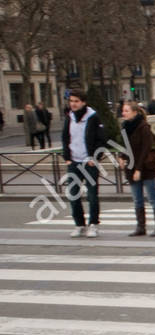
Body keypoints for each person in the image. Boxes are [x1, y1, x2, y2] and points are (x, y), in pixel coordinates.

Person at [60, 91, 107, 238]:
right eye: (71, 101)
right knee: (73, 195)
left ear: (83, 102)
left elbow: (101, 139)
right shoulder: (69, 117)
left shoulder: (92, 117)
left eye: (76, 101)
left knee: (92, 195)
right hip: (74, 161)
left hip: (89, 162)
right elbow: (65, 137)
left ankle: (93, 224)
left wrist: (95, 157)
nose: (73, 103)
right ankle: (79, 224)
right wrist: (67, 157)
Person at [119, 100, 155, 237]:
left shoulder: (144, 127)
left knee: (152, 197)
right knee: (137, 199)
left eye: (126, 110)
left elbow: (145, 150)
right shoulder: (125, 126)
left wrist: (138, 169)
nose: (123, 113)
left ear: (134, 112)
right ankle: (141, 226)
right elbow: (125, 145)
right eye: (123, 110)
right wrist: (121, 156)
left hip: (145, 168)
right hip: (131, 167)